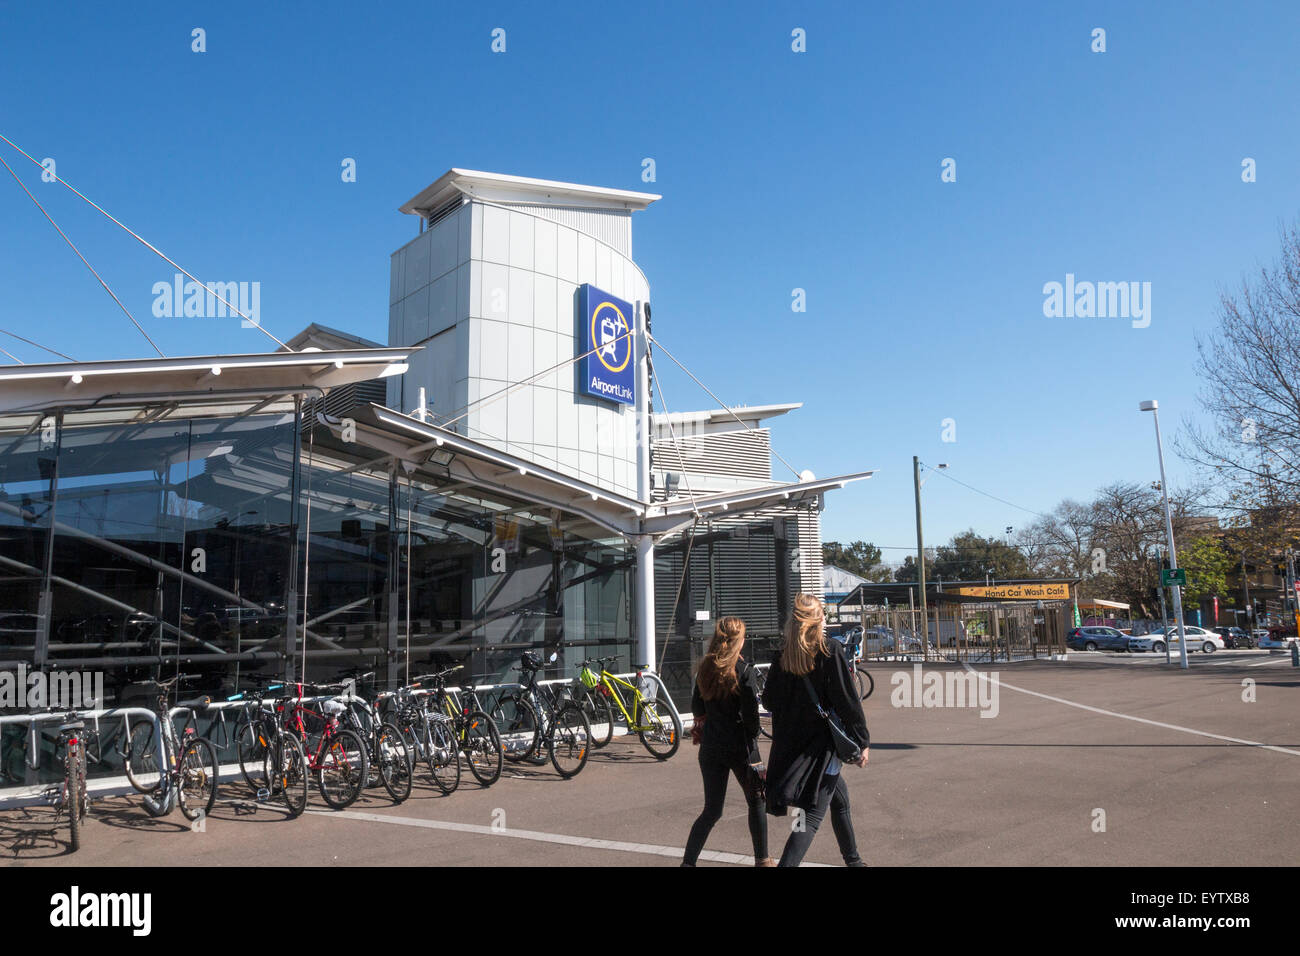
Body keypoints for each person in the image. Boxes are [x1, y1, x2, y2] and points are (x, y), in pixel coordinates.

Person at [763, 593, 870, 867]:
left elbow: (769, 701)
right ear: (818, 619)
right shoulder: (828, 651)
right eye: (823, 614)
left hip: (790, 746)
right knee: (808, 818)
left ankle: (854, 860)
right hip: (821, 751)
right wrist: (862, 741)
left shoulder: (783, 656)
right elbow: (848, 702)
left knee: (839, 801)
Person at [682, 616, 772, 867]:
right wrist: (753, 736)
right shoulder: (744, 670)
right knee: (756, 801)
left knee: (712, 810)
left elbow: (696, 705)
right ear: (737, 642)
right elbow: (751, 715)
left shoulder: (705, 668)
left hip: (711, 746)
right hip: (740, 746)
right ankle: (762, 860)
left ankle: (688, 862)